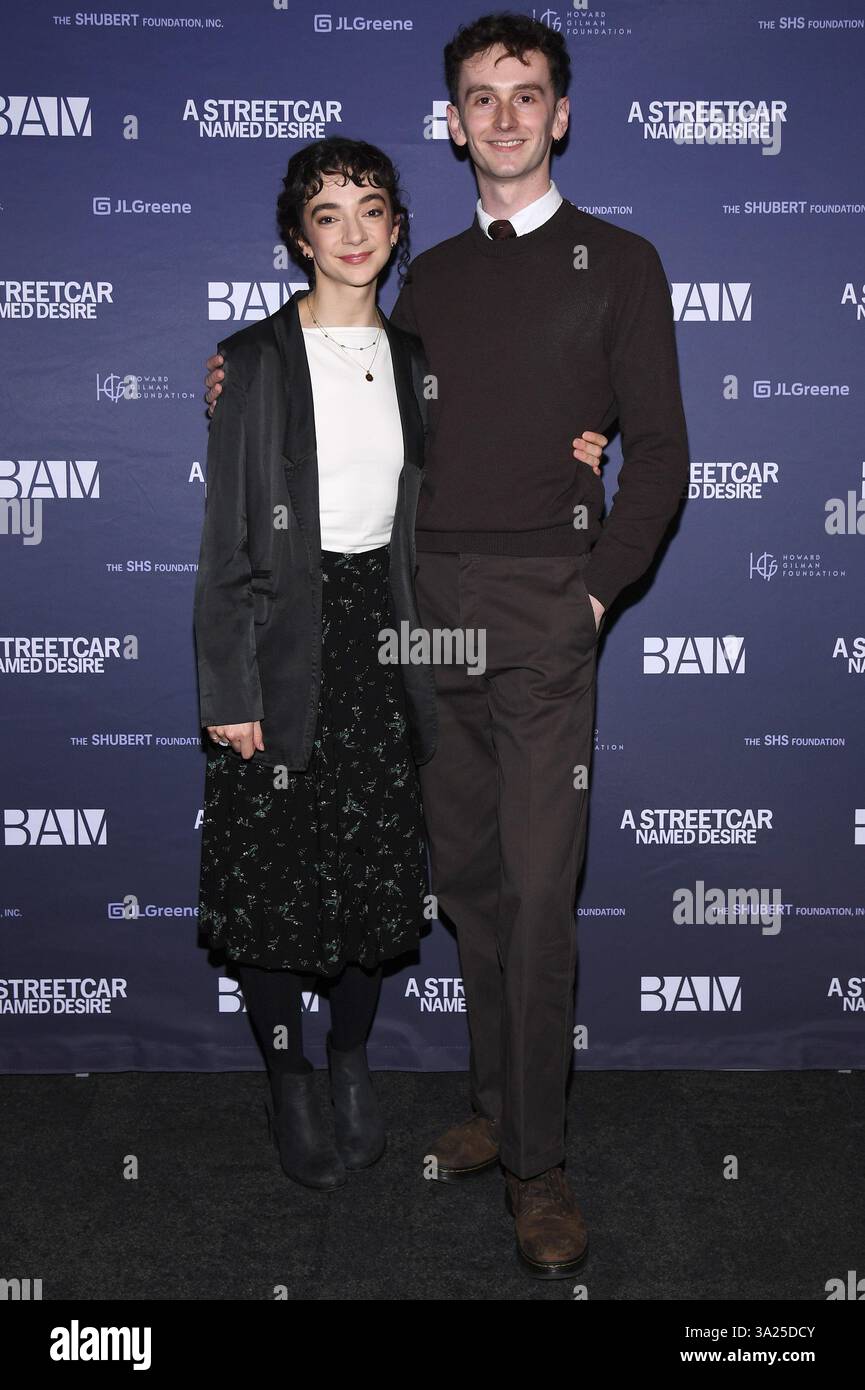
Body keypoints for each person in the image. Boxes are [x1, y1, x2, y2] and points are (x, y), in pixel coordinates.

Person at [204, 15, 653, 1278]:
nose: (503, 115)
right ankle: (498, 1108)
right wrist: (237, 375)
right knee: (465, 885)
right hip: (424, 610)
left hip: (546, 616)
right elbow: (349, 398)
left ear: (558, 114)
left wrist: (596, 587)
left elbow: (660, 451)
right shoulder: (430, 284)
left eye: (526, 94)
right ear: (452, 124)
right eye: (478, 97)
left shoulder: (622, 261)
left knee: (538, 889)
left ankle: (539, 1162)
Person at [193, 137, 443, 1193]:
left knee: (370, 886)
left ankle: (348, 1059)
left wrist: (574, 464)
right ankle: (289, 1080)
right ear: (299, 236)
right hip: (281, 643)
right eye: (328, 214)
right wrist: (230, 692)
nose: (351, 233)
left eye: (370, 210)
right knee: (273, 889)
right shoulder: (250, 362)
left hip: (386, 641)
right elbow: (228, 544)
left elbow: (451, 504)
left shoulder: (421, 361)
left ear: (395, 228)